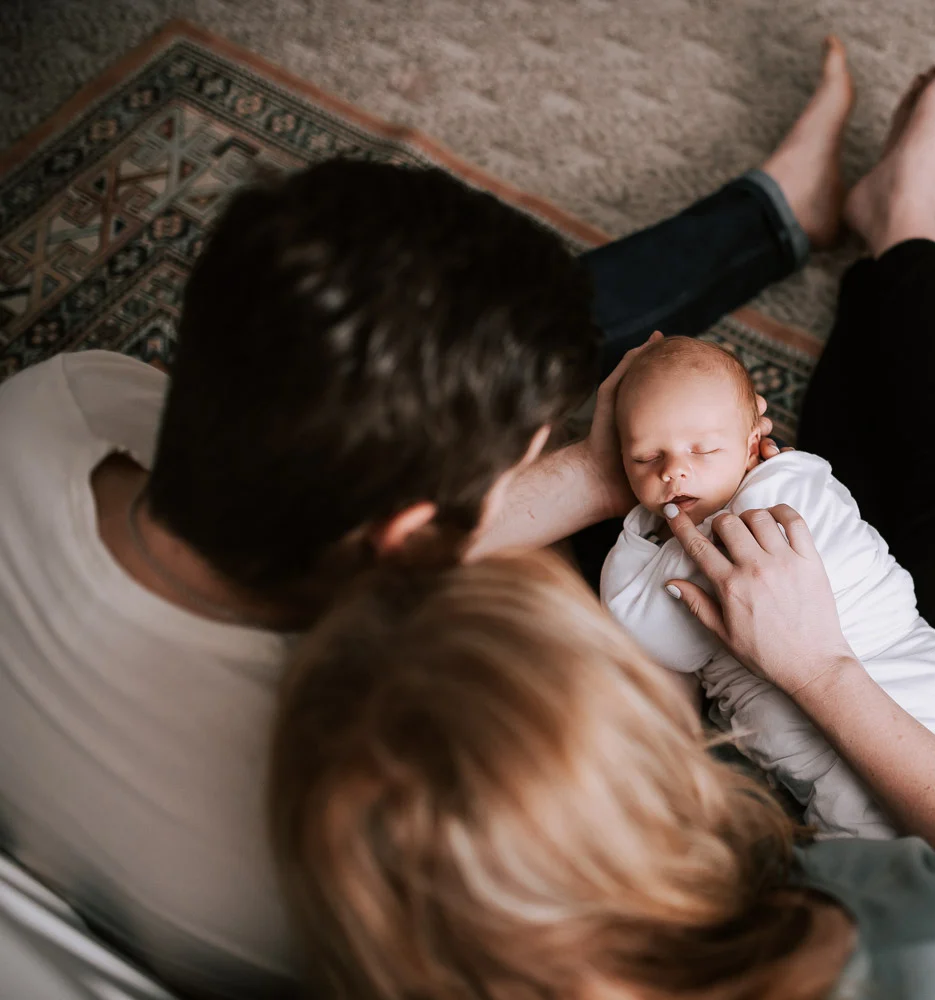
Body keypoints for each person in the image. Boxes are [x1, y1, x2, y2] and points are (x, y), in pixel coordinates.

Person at [270, 49, 935, 1000]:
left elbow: (339, 549)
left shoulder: (491, 923)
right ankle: (899, 221)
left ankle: (826, 224)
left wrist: (603, 481)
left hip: (788, 797)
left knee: (704, 479)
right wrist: (818, 667)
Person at [0, 34, 855, 997]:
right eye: (518, 467)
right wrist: (595, 480)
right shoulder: (384, 810)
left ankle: (779, 212)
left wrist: (590, 467)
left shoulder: (53, 407)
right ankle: (780, 216)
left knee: (446, 341)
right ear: (407, 544)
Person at [599, 335, 935, 840]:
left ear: (751, 445)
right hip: (932, 698)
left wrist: (640, 538)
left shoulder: (770, 505)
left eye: (703, 449)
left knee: (867, 838)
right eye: (645, 457)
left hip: (893, 671)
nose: (674, 470)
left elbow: (646, 627)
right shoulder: (795, 472)